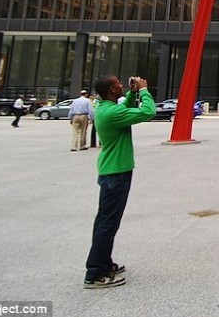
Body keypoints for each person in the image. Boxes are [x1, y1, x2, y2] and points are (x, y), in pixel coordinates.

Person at [84, 75, 155, 289]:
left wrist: (132, 94)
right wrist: (143, 91)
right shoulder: (112, 113)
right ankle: (95, 273)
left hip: (112, 171)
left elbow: (125, 107)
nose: (122, 86)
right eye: (118, 85)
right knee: (107, 223)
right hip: (116, 174)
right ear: (111, 90)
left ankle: (104, 263)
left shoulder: (106, 108)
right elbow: (148, 112)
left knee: (107, 222)